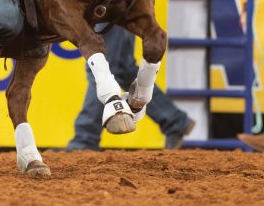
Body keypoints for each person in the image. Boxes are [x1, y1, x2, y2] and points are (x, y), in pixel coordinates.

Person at [65, 27, 196, 150]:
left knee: (101, 69)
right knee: (123, 69)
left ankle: (85, 138)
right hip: (120, 8)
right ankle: (174, 120)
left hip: (108, 8)